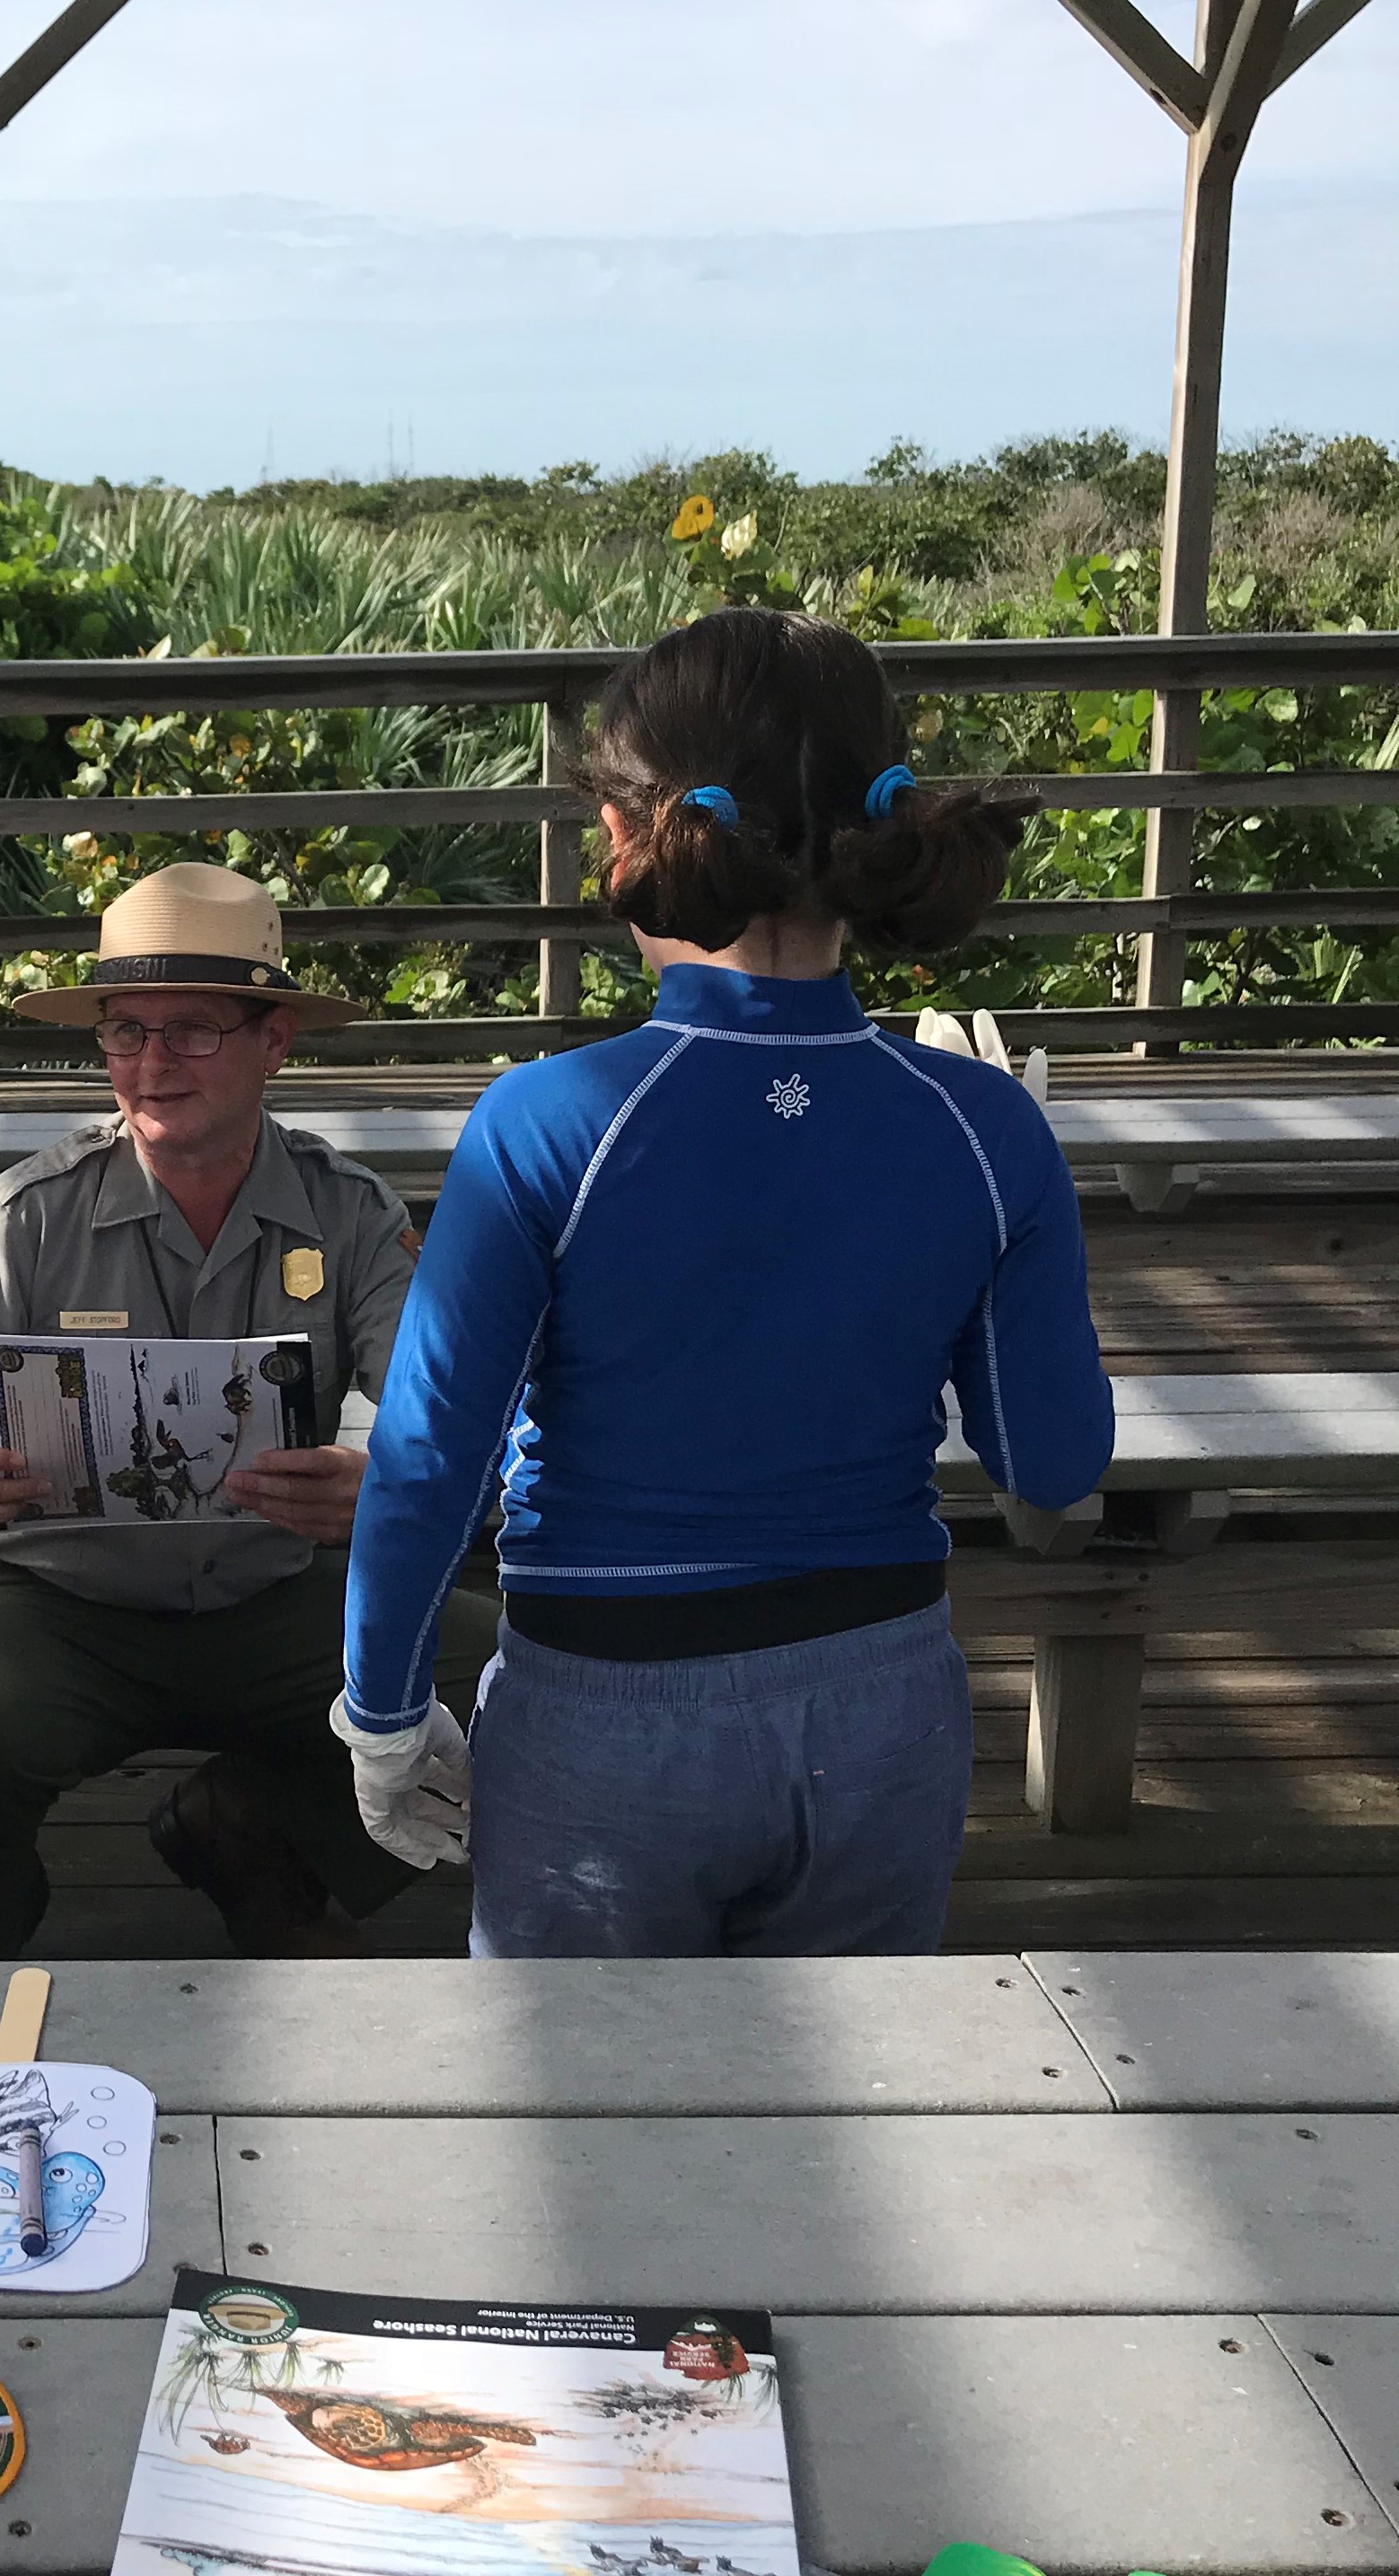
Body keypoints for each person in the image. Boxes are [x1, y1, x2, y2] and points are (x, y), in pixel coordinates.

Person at [336, 608, 1113, 1957]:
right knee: (845, 2151)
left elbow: (427, 1465)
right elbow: (1054, 1465)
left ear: (632, 836)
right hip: (883, 1709)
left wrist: (385, 1716)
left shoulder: (545, 1120)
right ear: (884, 818)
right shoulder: (987, 1128)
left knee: (584, 2153)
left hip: (604, 1716)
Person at [0, 858, 500, 1959]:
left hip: (278, 1590)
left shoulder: (352, 1214)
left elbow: (447, 1426)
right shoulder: (21, 1218)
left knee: (516, 1684)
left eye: (193, 1029)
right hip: (62, 1605)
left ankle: (257, 1830)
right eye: (123, 1030)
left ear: (274, 1040)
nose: (151, 1063)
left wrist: (382, 1494)